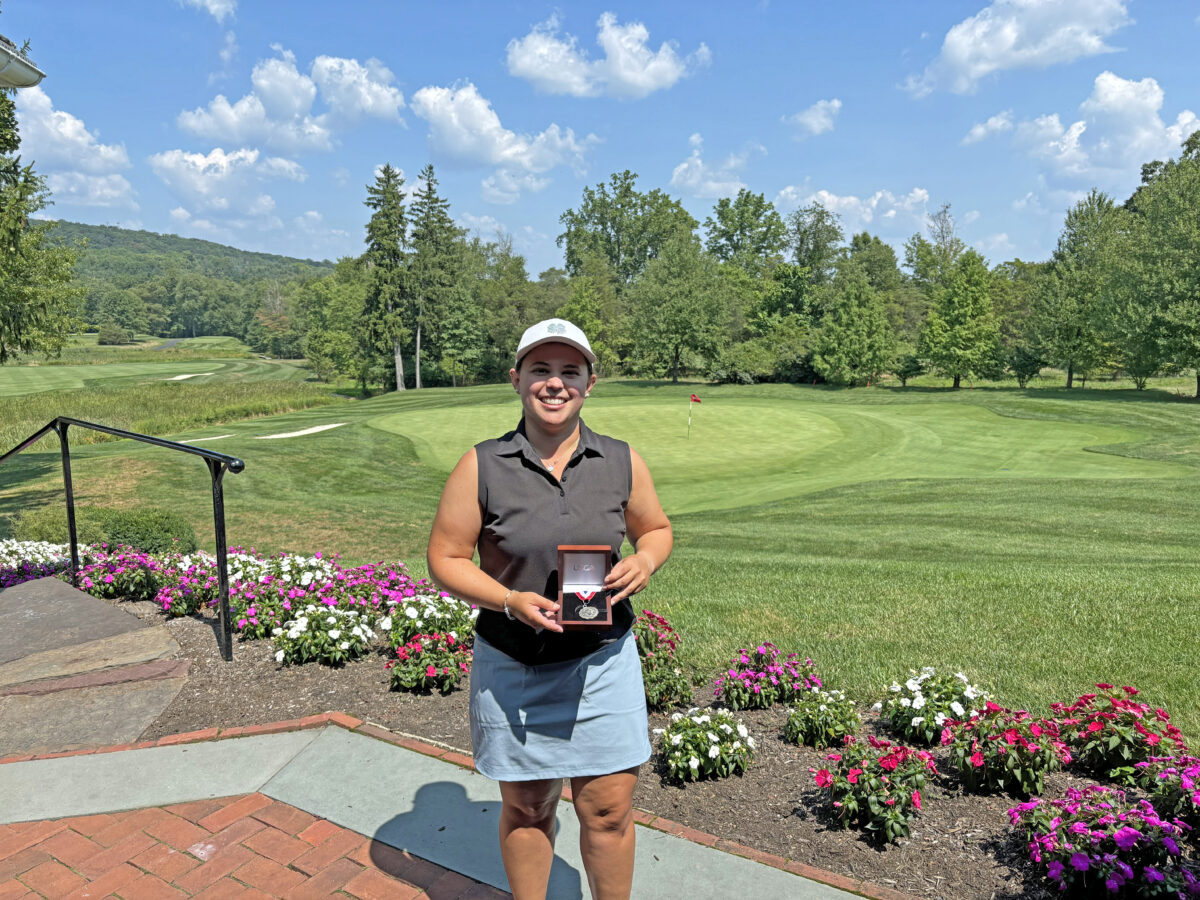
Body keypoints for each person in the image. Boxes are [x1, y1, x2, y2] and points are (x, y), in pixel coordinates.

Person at [427, 318, 673, 900]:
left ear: (591, 382)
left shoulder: (620, 460)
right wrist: (509, 599)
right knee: (529, 806)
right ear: (516, 379)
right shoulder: (482, 465)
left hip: (603, 661)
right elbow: (445, 557)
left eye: (570, 371)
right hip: (515, 664)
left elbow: (657, 529)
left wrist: (646, 561)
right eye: (541, 370)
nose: (555, 383)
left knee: (609, 810)